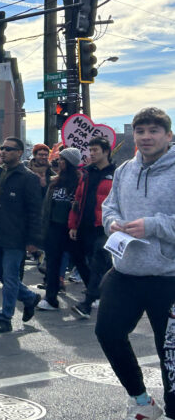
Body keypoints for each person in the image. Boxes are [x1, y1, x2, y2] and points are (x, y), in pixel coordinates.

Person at [95, 107, 175, 420]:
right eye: (141, 131)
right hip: (125, 270)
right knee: (108, 333)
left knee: (169, 352)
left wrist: (153, 225)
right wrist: (112, 222)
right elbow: (109, 206)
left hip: (168, 276)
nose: (146, 137)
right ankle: (141, 401)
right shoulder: (126, 169)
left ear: (168, 136)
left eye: (154, 131)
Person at [0, 137, 42, 333]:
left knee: (9, 277)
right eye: (2, 148)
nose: (4, 152)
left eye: (9, 149)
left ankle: (5, 318)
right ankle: (29, 297)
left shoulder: (29, 178)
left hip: (16, 236)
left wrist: (33, 241)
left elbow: (35, 212)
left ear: (19, 153)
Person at [68, 136, 115, 318]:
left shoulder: (116, 174)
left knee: (98, 262)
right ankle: (100, 292)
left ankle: (87, 303)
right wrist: (73, 224)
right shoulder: (87, 174)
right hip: (84, 225)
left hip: (104, 227)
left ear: (106, 152)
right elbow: (77, 200)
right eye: (91, 150)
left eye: (96, 150)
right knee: (79, 258)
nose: (92, 154)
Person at [37, 147, 82, 311]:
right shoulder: (54, 181)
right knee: (53, 263)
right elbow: (47, 206)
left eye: (63, 159)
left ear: (70, 163)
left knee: (80, 262)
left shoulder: (80, 181)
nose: (59, 162)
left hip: (71, 229)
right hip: (54, 227)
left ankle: (94, 294)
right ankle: (51, 298)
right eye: (59, 159)